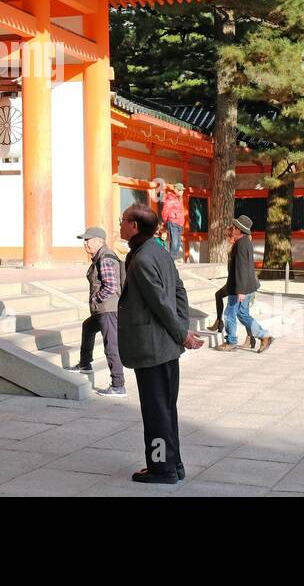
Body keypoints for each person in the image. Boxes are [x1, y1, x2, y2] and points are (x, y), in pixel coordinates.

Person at [116, 203, 203, 484]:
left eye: (123, 220)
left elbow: (161, 303)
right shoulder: (158, 251)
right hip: (165, 346)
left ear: (134, 226)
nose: (120, 224)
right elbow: (178, 291)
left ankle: (160, 468)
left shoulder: (141, 260)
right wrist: (183, 326)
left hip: (152, 347)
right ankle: (173, 464)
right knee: (166, 409)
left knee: (155, 412)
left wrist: (183, 333)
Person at [67, 226, 126, 398]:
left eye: (88, 240)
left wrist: (96, 299)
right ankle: (85, 364)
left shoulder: (105, 258)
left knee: (111, 346)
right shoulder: (99, 257)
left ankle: (118, 385)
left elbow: (111, 286)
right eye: (84, 240)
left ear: (99, 241)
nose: (85, 243)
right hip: (103, 309)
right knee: (88, 326)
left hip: (108, 309)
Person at [213, 214, 273, 352]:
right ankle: (264, 336)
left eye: (235, 227)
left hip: (239, 287)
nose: (233, 229)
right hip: (247, 285)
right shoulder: (245, 242)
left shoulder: (240, 245)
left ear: (239, 230)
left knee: (229, 314)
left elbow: (241, 268)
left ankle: (231, 341)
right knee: (242, 314)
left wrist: (240, 290)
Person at [161, 183, 186, 263]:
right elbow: (165, 211)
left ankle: (173, 259)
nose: (182, 192)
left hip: (179, 223)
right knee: (175, 242)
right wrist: (165, 222)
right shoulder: (170, 198)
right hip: (173, 222)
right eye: (181, 190)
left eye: (182, 190)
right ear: (176, 190)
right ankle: (171, 261)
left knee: (178, 242)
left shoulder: (179, 199)